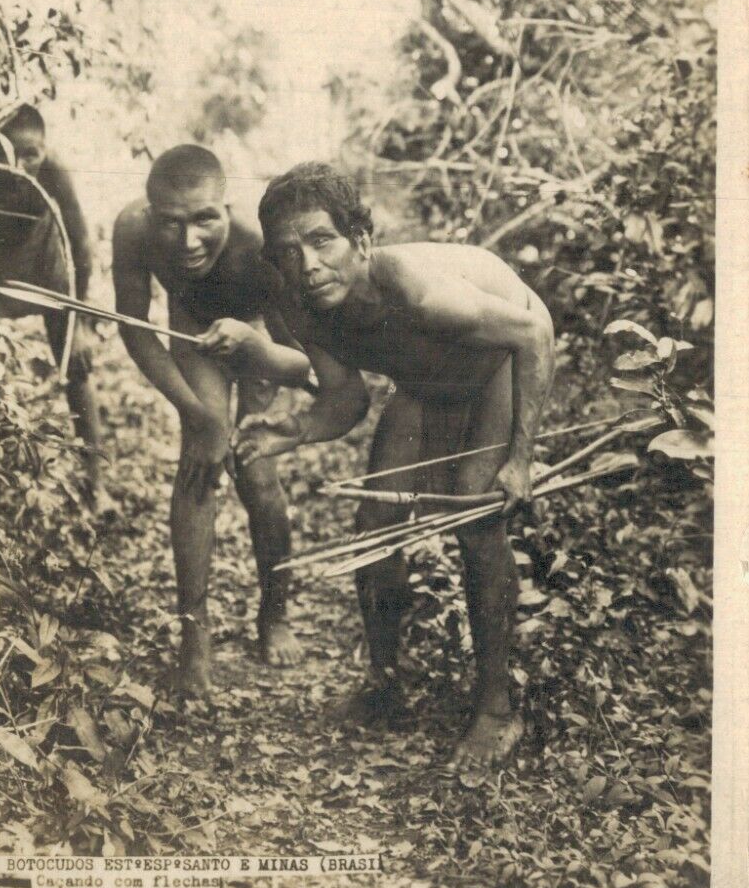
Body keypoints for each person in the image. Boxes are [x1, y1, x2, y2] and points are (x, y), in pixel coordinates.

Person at [214, 161, 555, 786]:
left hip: (495, 369)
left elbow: (533, 333)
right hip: (424, 385)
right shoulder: (305, 307)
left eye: (323, 241)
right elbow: (346, 399)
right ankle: (385, 679)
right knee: (374, 526)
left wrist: (521, 459)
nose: (308, 265)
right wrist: (291, 432)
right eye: (288, 252)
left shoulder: (418, 291)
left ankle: (495, 708)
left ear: (361, 239)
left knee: (473, 515)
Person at [112, 145, 355, 697]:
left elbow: (304, 366)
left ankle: (275, 612)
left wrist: (253, 346)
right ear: (150, 213)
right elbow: (135, 328)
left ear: (226, 207)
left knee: (256, 474)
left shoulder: (262, 244)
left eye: (205, 220)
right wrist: (198, 416)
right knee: (198, 465)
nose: (187, 242)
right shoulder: (132, 230)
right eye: (170, 223)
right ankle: (194, 638)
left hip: (262, 337)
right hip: (193, 330)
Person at [0, 104, 113, 515]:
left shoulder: (54, 171)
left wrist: (79, 324)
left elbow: (80, 244)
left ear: (45, 149)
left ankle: (95, 485)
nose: (21, 165)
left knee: (76, 366)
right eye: (10, 154)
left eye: (32, 154)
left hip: (44, 255)